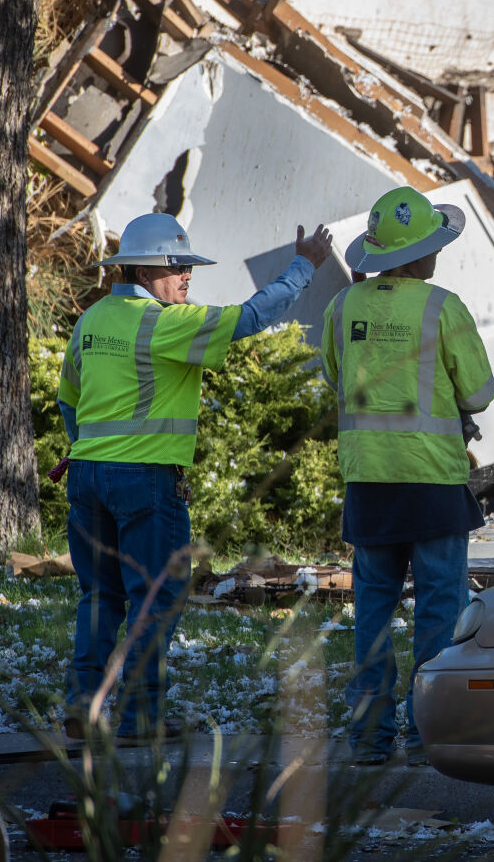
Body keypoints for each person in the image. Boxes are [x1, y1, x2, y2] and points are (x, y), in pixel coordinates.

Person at [59, 212, 333, 744]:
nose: (187, 275)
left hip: (87, 477)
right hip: (146, 480)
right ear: (144, 271)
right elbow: (252, 316)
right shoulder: (164, 322)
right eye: (176, 266)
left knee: (99, 597)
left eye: (189, 266)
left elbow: (68, 399)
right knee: (155, 600)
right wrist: (304, 267)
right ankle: (141, 718)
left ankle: (81, 706)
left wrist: (89, 451)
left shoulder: (90, 321)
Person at [321, 187, 494, 767]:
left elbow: (334, 376)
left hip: (368, 483)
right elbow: (479, 393)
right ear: (419, 253)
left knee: (373, 610)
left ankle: (369, 739)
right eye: (433, 245)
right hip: (433, 483)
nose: (438, 253)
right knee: (440, 609)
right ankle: (429, 735)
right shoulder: (443, 308)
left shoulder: (342, 306)